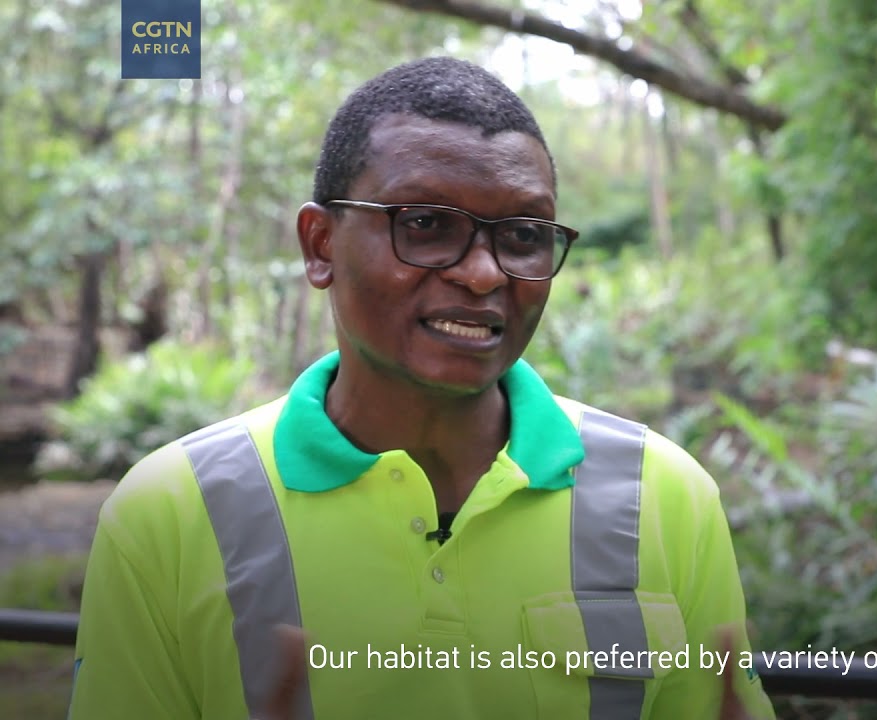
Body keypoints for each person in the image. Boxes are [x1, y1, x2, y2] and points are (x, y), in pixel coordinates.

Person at [67, 56, 775, 720]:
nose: (483, 273)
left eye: (523, 234)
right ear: (320, 247)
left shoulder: (665, 495)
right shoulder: (170, 514)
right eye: (427, 225)